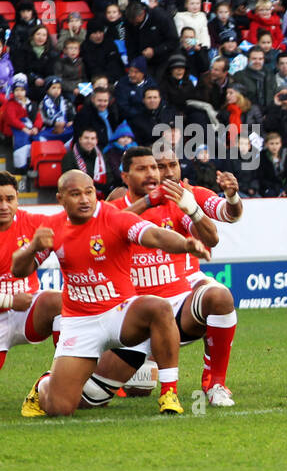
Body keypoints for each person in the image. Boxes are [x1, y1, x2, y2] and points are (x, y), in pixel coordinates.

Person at [16, 165, 210, 418]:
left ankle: (168, 392)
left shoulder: (114, 216)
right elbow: (20, 270)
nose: (84, 199)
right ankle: (44, 384)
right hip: (79, 322)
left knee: (158, 307)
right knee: (60, 409)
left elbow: (155, 236)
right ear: (60, 198)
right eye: (75, 194)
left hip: (119, 313)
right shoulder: (51, 227)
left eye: (89, 192)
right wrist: (32, 247)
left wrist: (185, 244)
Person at [76, 150, 240, 409]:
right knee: (81, 400)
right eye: (152, 168)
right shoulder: (113, 207)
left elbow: (220, 228)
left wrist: (198, 208)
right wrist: (146, 203)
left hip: (176, 306)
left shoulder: (183, 198)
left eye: (165, 166)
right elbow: (97, 240)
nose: (160, 173)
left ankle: (214, 383)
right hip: (129, 315)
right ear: (126, 177)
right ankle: (55, 378)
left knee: (219, 296)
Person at [0, 172, 62, 374]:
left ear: (17, 197)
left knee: (60, 302)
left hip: (29, 310)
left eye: (9, 199)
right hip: (7, 306)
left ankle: (64, 376)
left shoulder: (33, 222)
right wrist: (9, 301)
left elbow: (71, 228)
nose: (4, 206)